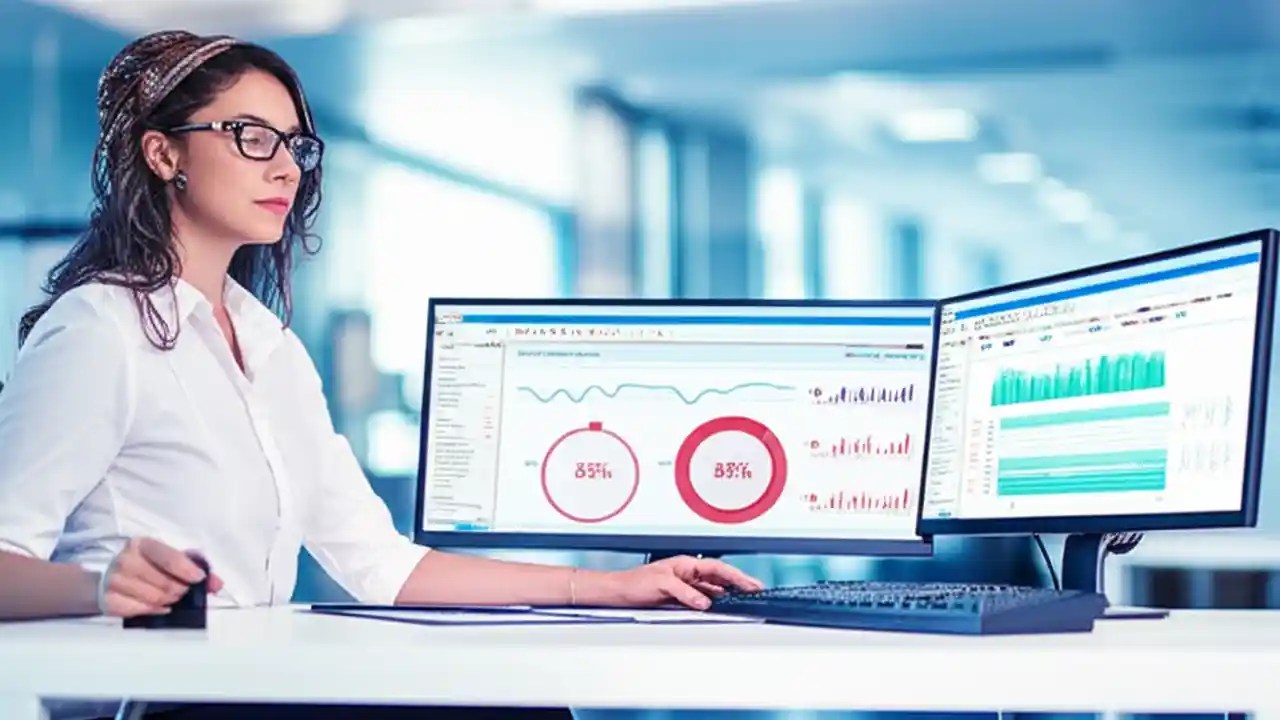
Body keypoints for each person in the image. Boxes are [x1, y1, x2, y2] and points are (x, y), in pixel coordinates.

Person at [0, 30, 763, 719]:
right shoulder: (100, 328)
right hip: (159, 705)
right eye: (250, 137)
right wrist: (100, 588)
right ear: (163, 154)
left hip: (252, 689)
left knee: (525, 705)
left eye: (295, 146)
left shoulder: (271, 351)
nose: (285, 168)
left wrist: (609, 587)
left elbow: (378, 564)